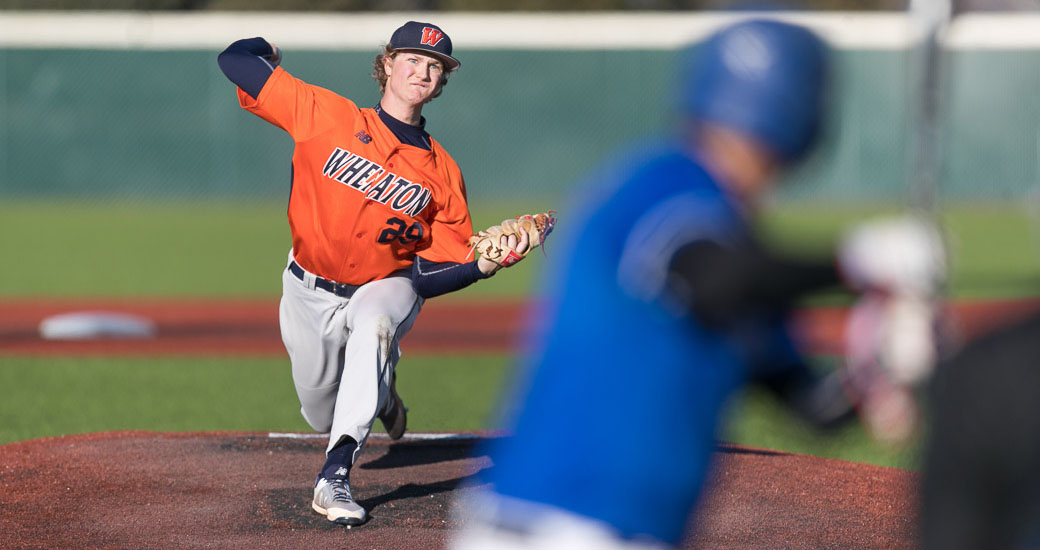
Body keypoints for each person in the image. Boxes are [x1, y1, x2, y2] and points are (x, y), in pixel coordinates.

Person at [450, 18, 945, 550]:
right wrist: (854, 261)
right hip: (560, 526)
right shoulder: (666, 182)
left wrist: (881, 371)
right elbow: (718, 277)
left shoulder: (738, 249)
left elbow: (813, 408)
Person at [217, 21, 532, 527]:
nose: (422, 72)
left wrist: (482, 265)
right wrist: (267, 49)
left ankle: (334, 476)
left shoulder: (443, 172)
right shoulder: (326, 115)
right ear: (387, 64)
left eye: (435, 66)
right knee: (320, 413)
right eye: (412, 59)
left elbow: (428, 275)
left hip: (387, 283)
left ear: (442, 81)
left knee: (376, 325)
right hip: (308, 288)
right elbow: (234, 61)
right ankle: (382, 393)